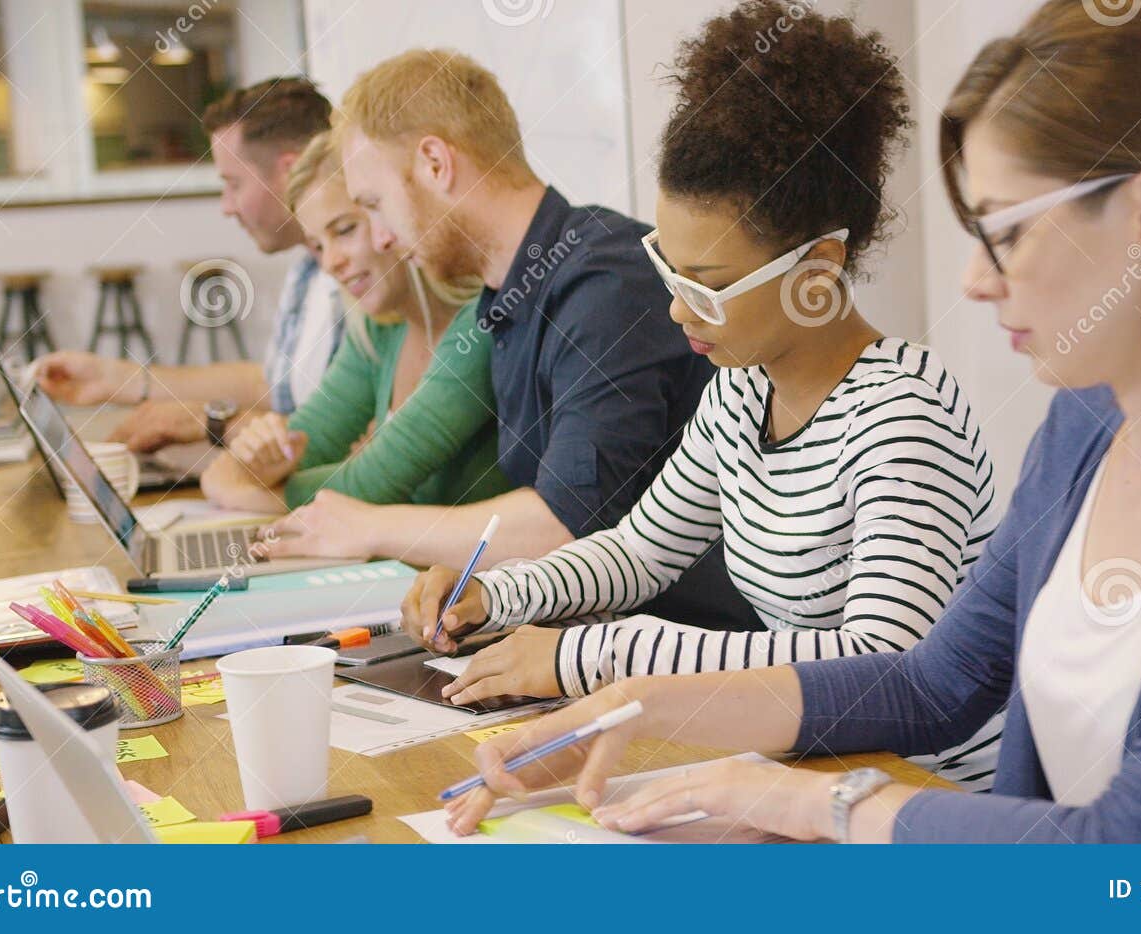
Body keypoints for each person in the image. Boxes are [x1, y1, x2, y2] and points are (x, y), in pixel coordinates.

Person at [443, 0, 1141, 843]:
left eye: (1004, 232)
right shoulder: (1083, 431)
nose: (974, 280)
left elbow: (1138, 846)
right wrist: (645, 712)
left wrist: (811, 799)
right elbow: (935, 681)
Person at [398, 3, 1003, 788]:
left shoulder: (906, 418)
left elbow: (876, 665)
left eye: (708, 287)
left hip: (925, 797)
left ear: (817, 266)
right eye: (669, 272)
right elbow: (642, 550)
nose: (679, 310)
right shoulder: (738, 393)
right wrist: (497, 595)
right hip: (815, 775)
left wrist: (589, 654)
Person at [257, 49, 756, 630]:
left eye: (375, 205)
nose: (384, 238)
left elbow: (565, 526)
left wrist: (364, 527)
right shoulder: (511, 299)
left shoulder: (603, 281)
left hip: (700, 655)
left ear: (436, 163)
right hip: (595, 634)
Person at [199, 130, 508, 513]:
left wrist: (249, 491)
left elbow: (371, 482)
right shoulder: (379, 329)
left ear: (392, 213)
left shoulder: (480, 321)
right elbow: (307, 441)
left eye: (344, 230)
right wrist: (250, 460)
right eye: (318, 246)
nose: (331, 262)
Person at [33, 78, 345, 453]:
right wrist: (115, 379)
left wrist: (212, 421)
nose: (226, 207)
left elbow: (350, 444)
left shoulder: (360, 283)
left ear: (290, 172)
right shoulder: (306, 274)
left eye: (233, 184)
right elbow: (272, 387)